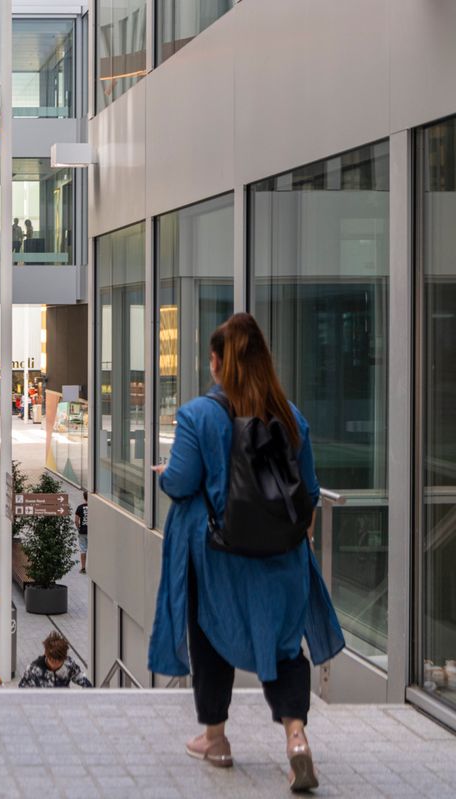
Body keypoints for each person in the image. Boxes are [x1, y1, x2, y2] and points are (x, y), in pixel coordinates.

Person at [148, 313, 345, 792]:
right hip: (282, 554)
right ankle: (295, 737)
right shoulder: (291, 415)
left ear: (217, 363)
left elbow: (180, 482)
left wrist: (162, 472)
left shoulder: (198, 415)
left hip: (218, 554)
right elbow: (311, 491)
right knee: (284, 646)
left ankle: (216, 739)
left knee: (210, 638)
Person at [19, 632, 92, 688]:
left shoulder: (69, 664)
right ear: (46, 655)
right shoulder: (33, 669)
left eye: (59, 662)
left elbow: (80, 677)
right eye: (52, 661)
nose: (55, 665)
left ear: (64, 658)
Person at [74, 491, 89, 574]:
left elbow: (76, 521)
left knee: (83, 549)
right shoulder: (95, 507)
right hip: (92, 532)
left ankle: (83, 568)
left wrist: (79, 528)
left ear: (84, 497)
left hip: (82, 531)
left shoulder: (80, 507)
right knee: (93, 550)